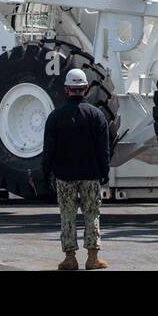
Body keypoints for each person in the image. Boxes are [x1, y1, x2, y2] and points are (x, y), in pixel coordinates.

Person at [43, 67, 112, 271]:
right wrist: (104, 173)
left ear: (67, 89)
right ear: (85, 89)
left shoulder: (55, 117)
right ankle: (92, 258)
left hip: (64, 176)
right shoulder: (97, 116)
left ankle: (70, 258)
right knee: (92, 213)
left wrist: (46, 173)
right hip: (91, 175)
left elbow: (48, 151)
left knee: (67, 215)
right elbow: (104, 150)